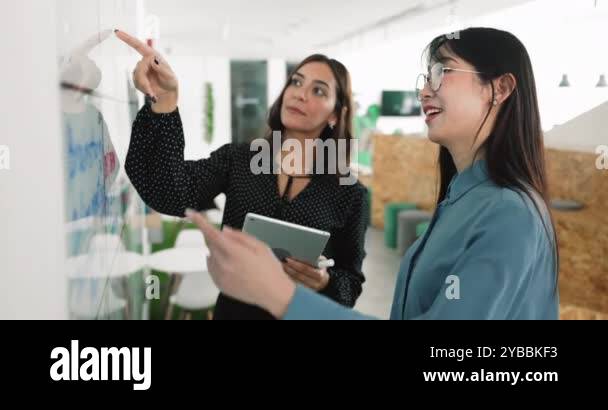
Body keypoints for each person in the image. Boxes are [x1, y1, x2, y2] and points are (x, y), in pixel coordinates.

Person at [187, 27, 560, 320]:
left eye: (440, 71)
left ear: (500, 88)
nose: (424, 91)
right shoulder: (461, 200)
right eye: (425, 77)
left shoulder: (509, 215)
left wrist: (279, 294)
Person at [116, 30, 369, 320]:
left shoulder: (350, 193)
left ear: (335, 115)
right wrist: (165, 100)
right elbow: (170, 194)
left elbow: (350, 285)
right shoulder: (239, 160)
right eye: (296, 82)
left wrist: (325, 281)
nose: (300, 93)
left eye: (319, 90)